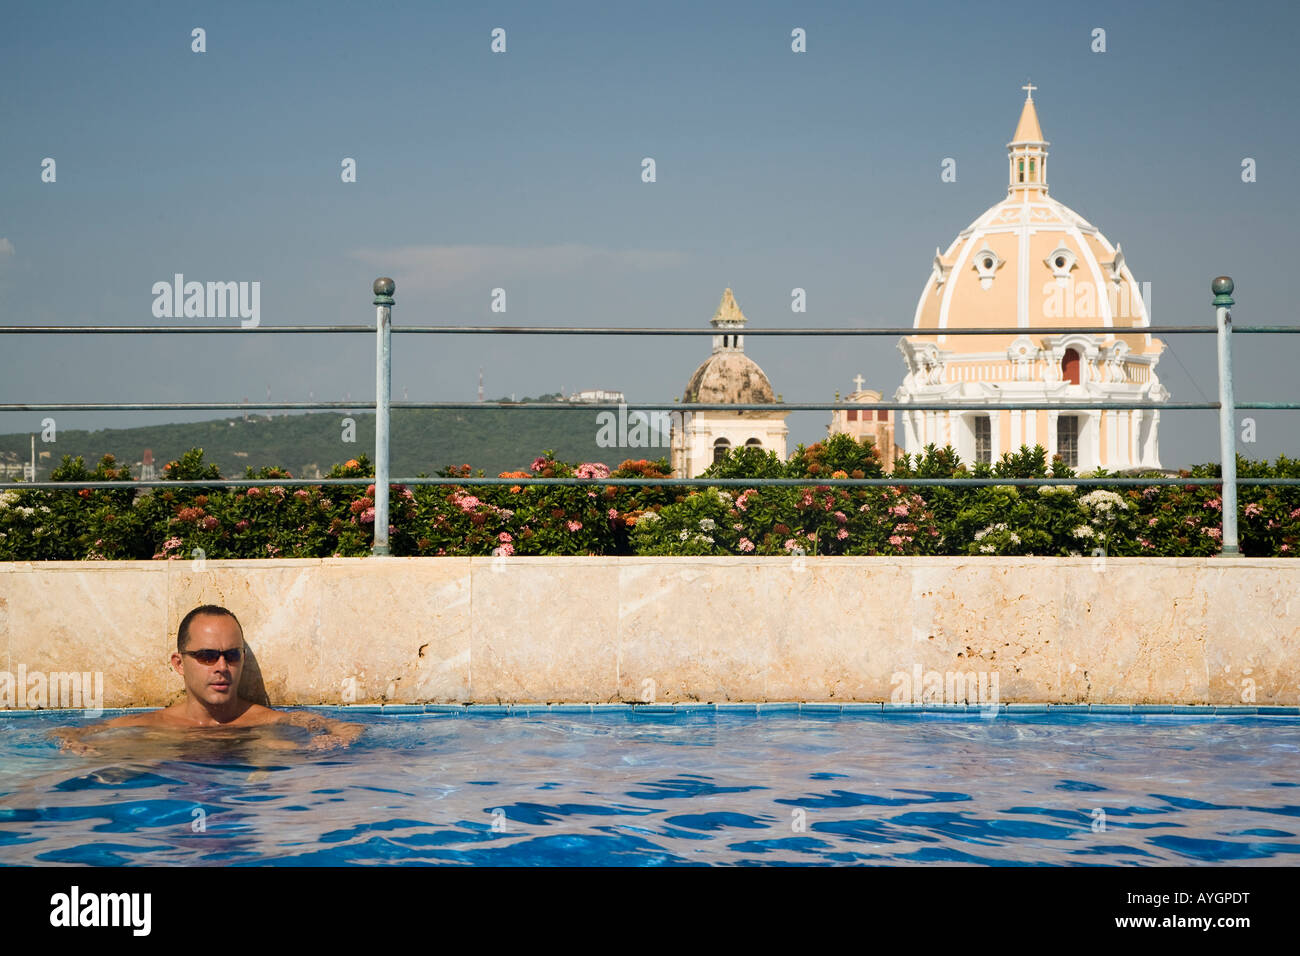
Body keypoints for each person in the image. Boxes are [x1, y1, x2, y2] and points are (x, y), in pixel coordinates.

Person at [53, 604, 363, 754]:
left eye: (232, 655)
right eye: (206, 655)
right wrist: (73, 744)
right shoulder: (153, 724)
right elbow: (65, 732)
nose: (221, 666)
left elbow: (350, 726)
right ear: (179, 664)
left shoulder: (269, 722)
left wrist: (339, 738)